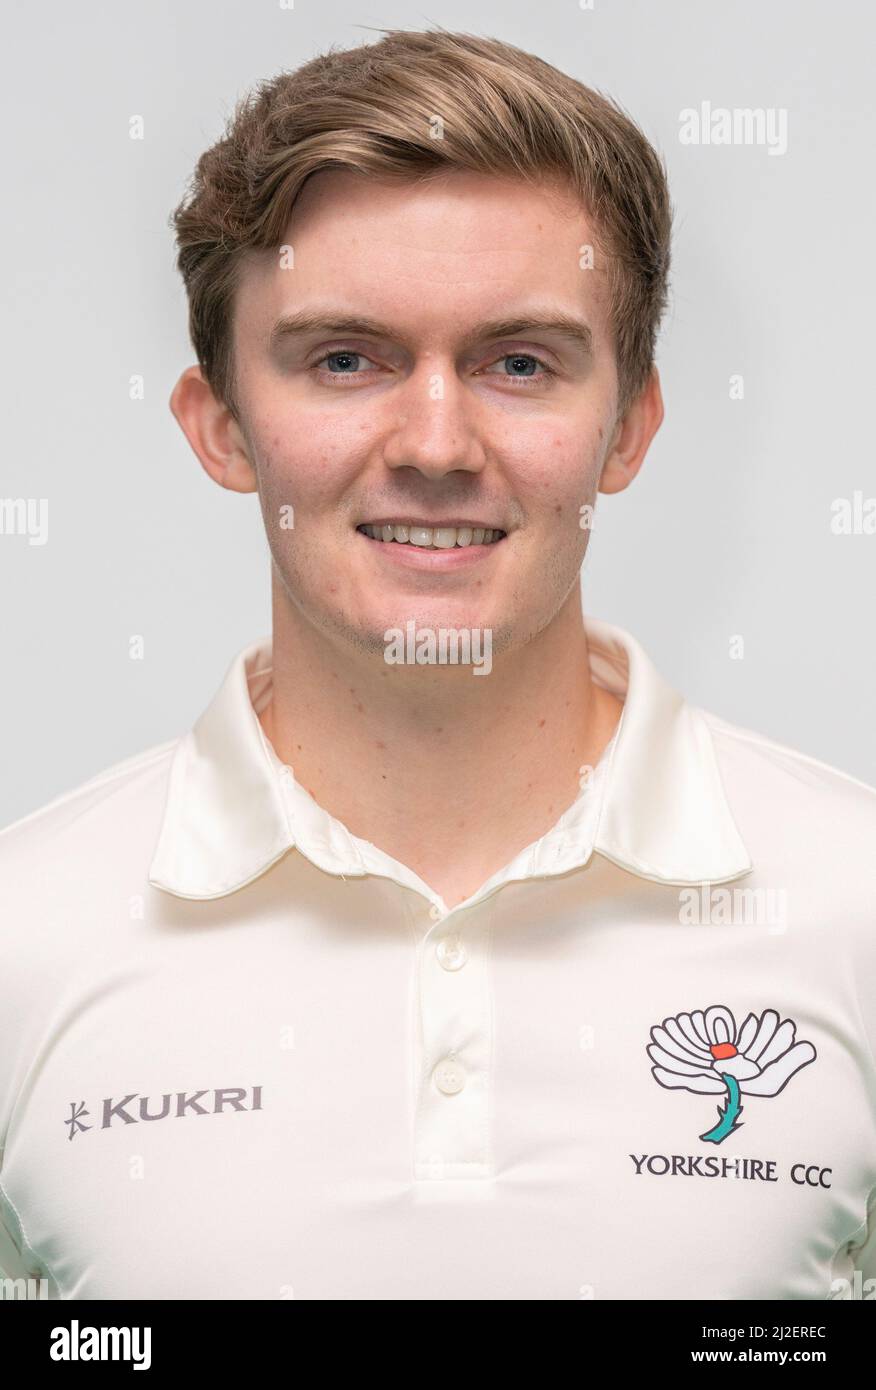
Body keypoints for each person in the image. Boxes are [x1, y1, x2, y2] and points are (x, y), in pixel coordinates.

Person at [1, 28, 874, 1301]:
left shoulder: (854, 906)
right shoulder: (23, 935)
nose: (435, 444)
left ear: (628, 426)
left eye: (519, 363)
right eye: (345, 359)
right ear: (222, 425)